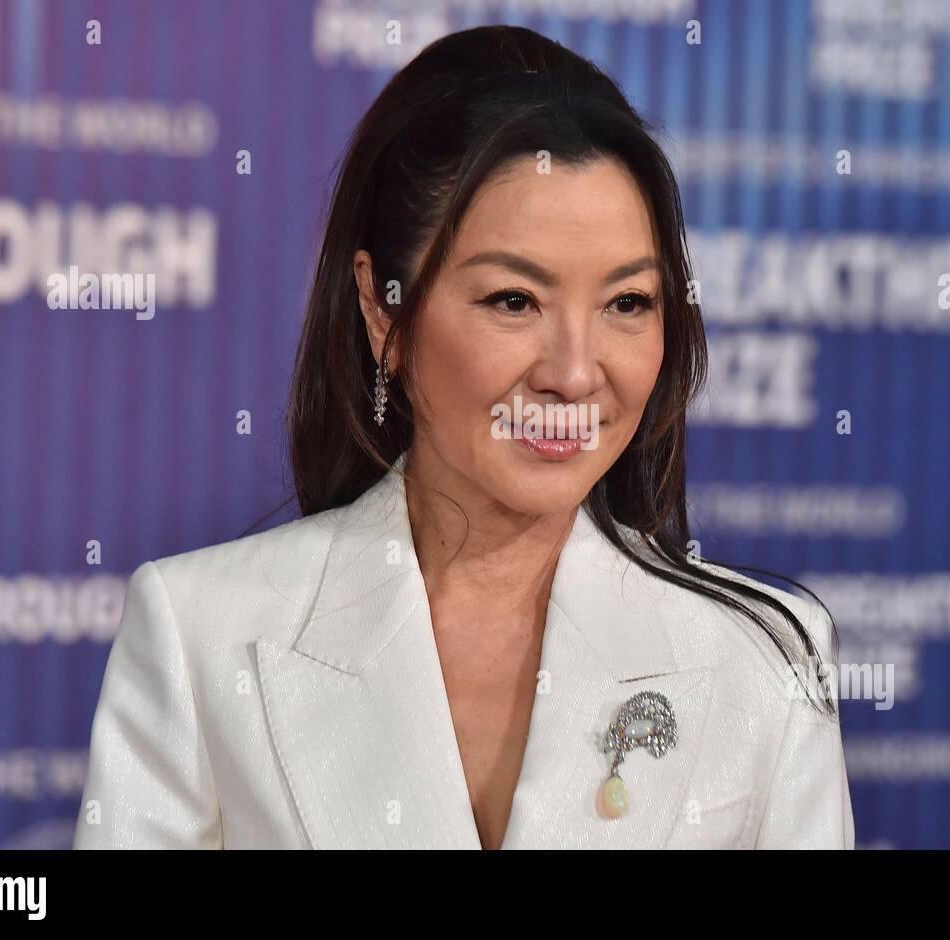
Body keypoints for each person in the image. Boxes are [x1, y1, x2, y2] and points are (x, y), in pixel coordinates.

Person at [74, 24, 854, 850]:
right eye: (514, 300)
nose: (576, 372)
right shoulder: (202, 633)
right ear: (384, 312)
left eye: (628, 303)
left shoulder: (763, 657)